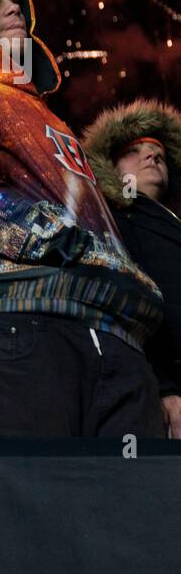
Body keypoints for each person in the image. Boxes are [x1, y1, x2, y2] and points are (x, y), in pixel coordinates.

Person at [0, 0, 164, 442]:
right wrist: (68, 244)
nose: (13, 9)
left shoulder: (51, 116)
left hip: (113, 331)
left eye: (16, 0)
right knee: (33, 502)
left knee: (131, 509)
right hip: (18, 323)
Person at [83, 99, 181, 438]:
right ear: (110, 166)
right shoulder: (114, 222)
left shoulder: (171, 220)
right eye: (134, 150)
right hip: (161, 391)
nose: (152, 156)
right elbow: (130, 305)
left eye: (158, 152)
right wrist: (166, 388)